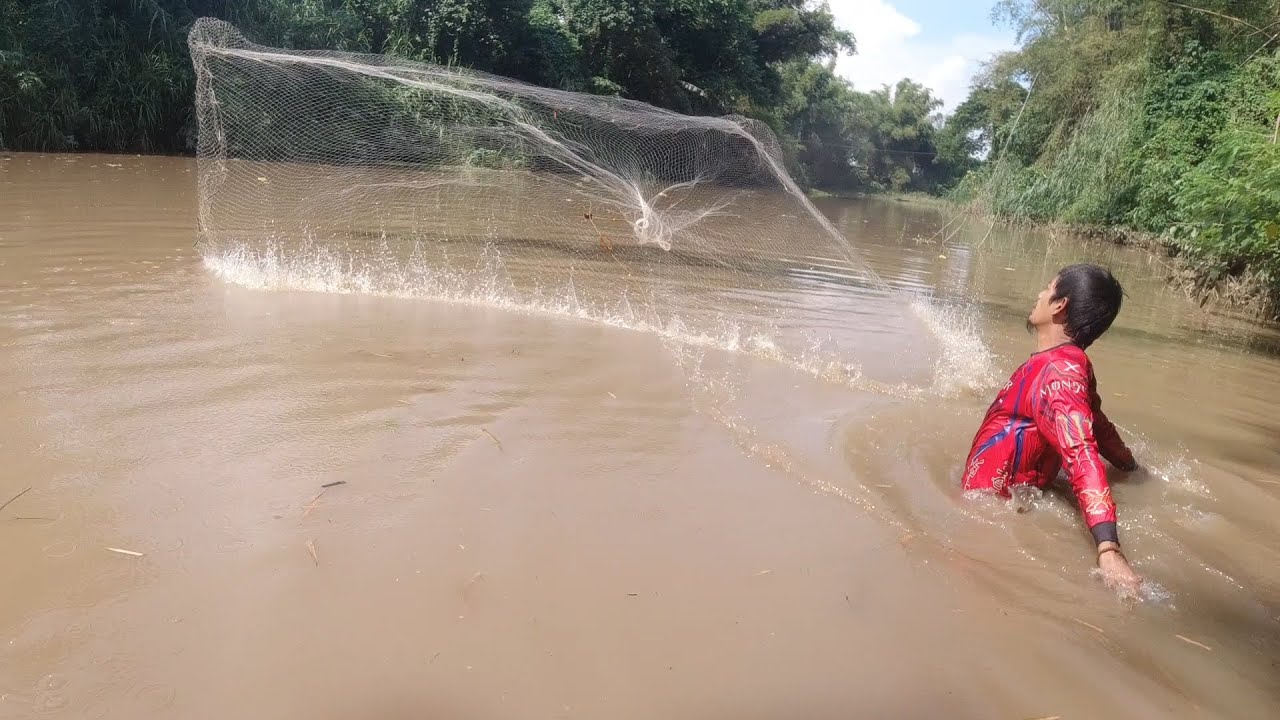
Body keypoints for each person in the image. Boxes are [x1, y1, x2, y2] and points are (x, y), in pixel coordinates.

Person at [962, 263, 1142, 592]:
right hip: (1010, 501)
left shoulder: (1058, 373)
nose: (1040, 294)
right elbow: (1099, 428)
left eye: (1048, 287)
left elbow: (1081, 452)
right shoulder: (1069, 365)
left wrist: (1108, 548)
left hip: (988, 519)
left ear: (1061, 304)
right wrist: (1130, 467)